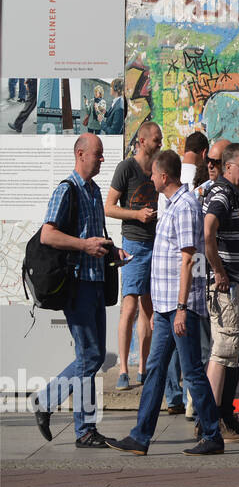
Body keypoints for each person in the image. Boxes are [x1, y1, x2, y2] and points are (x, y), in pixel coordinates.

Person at [104, 150, 225, 456]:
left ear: (165, 177)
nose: (151, 179)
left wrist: (182, 308)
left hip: (178, 306)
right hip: (165, 307)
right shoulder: (171, 204)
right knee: (156, 369)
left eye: (154, 175)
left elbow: (187, 259)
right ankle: (140, 437)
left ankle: (212, 433)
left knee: (193, 371)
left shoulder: (184, 206)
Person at [31, 134, 123, 447]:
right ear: (80, 154)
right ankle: (51, 404)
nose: (101, 160)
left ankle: (83, 429)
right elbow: (48, 235)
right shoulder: (65, 190)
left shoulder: (95, 191)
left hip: (97, 281)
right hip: (78, 283)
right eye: (97, 155)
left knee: (91, 357)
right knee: (91, 354)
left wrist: (113, 252)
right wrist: (84, 245)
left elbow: (94, 237)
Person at [203, 142, 239, 443]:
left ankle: (218, 418)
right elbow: (208, 231)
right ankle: (210, 424)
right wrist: (220, 271)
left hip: (234, 285)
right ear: (228, 167)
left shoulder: (235, 193)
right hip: (225, 288)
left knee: (228, 352)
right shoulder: (222, 193)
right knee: (222, 351)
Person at [105, 119, 162, 390]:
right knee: (129, 306)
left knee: (149, 308)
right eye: (156, 140)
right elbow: (109, 207)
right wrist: (137, 215)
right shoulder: (126, 168)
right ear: (142, 141)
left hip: (156, 244)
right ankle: (124, 370)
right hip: (133, 244)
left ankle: (145, 367)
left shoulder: (159, 168)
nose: (160, 144)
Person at [162, 131, 208, 416]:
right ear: (204, 153)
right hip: (193, 266)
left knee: (168, 348)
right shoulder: (199, 183)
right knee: (195, 346)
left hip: (166, 274)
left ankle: (173, 397)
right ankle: (197, 406)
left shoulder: (169, 183)